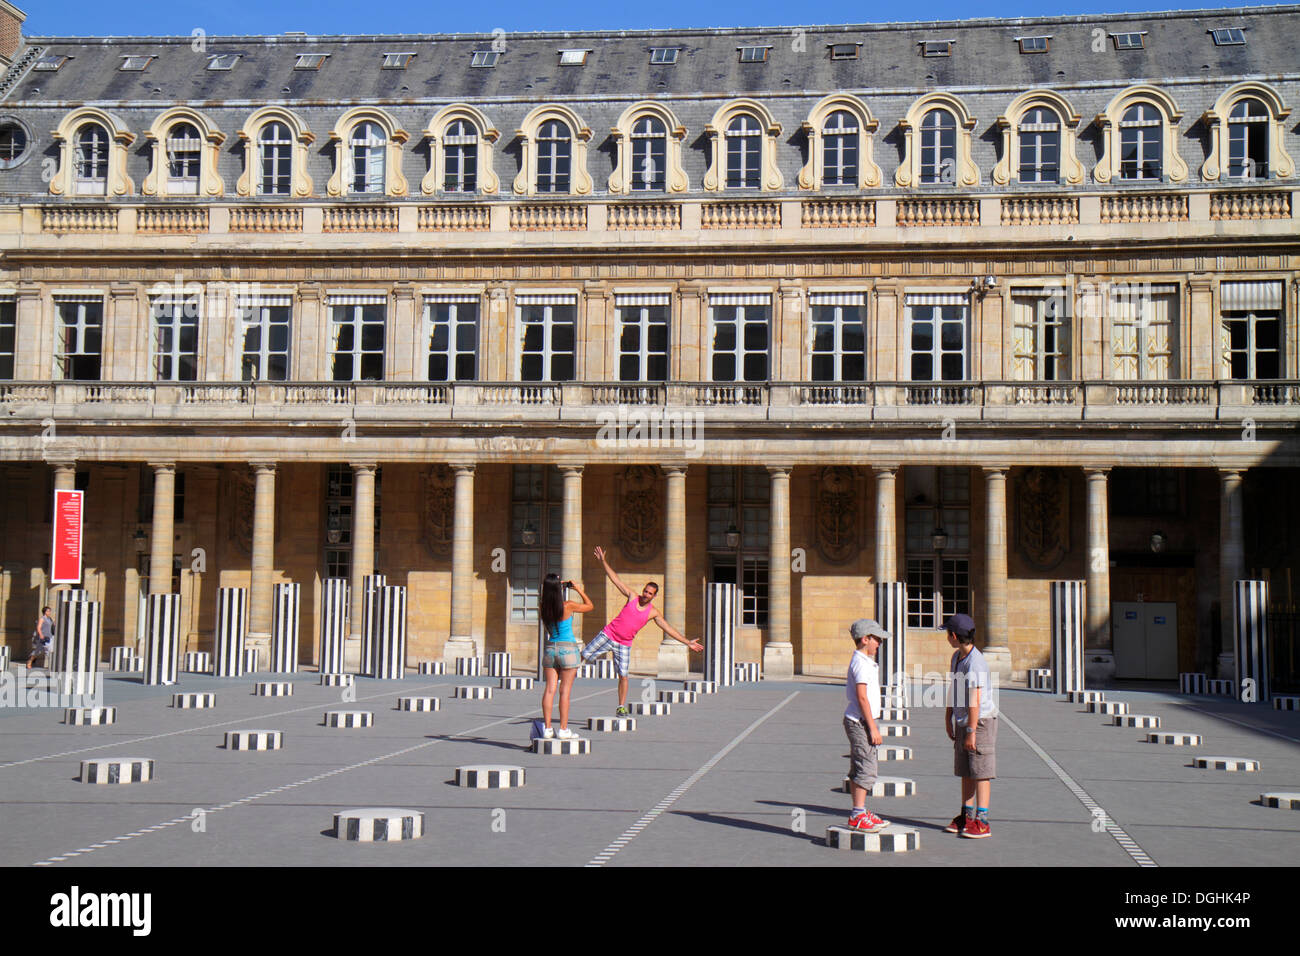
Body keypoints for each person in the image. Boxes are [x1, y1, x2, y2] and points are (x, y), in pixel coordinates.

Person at [583, 546, 702, 716]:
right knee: (583, 655)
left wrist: (687, 642)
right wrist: (603, 562)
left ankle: (620, 707)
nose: (645, 594)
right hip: (608, 634)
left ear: (654, 596)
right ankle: (561, 675)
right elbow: (615, 579)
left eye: (649, 593)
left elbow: (669, 629)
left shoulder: (653, 612)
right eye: (645, 591)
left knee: (623, 676)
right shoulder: (632, 597)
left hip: (624, 644)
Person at [943, 612, 997, 839]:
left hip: (980, 722)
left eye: (947, 633)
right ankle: (966, 814)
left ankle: (982, 820)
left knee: (980, 771)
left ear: (954, 636)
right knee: (966, 770)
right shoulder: (957, 657)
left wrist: (972, 732)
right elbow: (953, 688)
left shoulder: (975, 663)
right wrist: (949, 716)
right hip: (965, 720)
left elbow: (975, 699)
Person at [843, 618, 891, 832]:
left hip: (860, 719)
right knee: (867, 768)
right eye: (877, 640)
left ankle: (859, 810)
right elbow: (862, 697)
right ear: (865, 639)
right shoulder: (861, 663)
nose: (879, 644)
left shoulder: (864, 661)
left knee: (859, 766)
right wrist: (872, 727)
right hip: (861, 721)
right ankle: (857, 814)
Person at [539, 573, 592, 740]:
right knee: (565, 692)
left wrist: (554, 585)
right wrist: (577, 588)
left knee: (549, 690)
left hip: (550, 649)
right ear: (559, 588)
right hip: (568, 649)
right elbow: (590, 605)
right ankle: (563, 729)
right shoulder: (568, 605)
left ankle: (547, 728)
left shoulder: (543, 607)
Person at [26, 606, 54, 671]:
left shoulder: (50, 619)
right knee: (37, 652)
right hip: (42, 638)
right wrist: (41, 635)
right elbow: (38, 627)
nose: (49, 612)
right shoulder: (42, 619)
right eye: (48, 611)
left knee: (49, 650)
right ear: (44, 612)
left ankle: (51, 666)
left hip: (49, 637)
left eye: (50, 611)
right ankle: (30, 661)